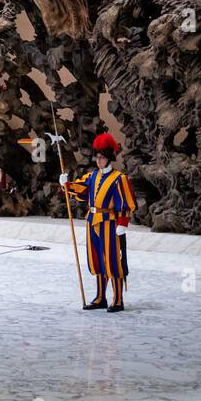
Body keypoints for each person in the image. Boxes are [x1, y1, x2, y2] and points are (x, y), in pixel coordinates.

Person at [62, 133, 136, 313]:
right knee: (96, 260)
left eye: (102, 157)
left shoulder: (119, 178)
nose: (98, 161)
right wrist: (67, 184)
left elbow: (125, 202)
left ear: (109, 158)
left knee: (111, 260)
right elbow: (80, 189)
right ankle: (100, 297)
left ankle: (118, 299)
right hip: (92, 221)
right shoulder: (93, 176)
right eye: (97, 157)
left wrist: (122, 222)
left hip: (109, 223)